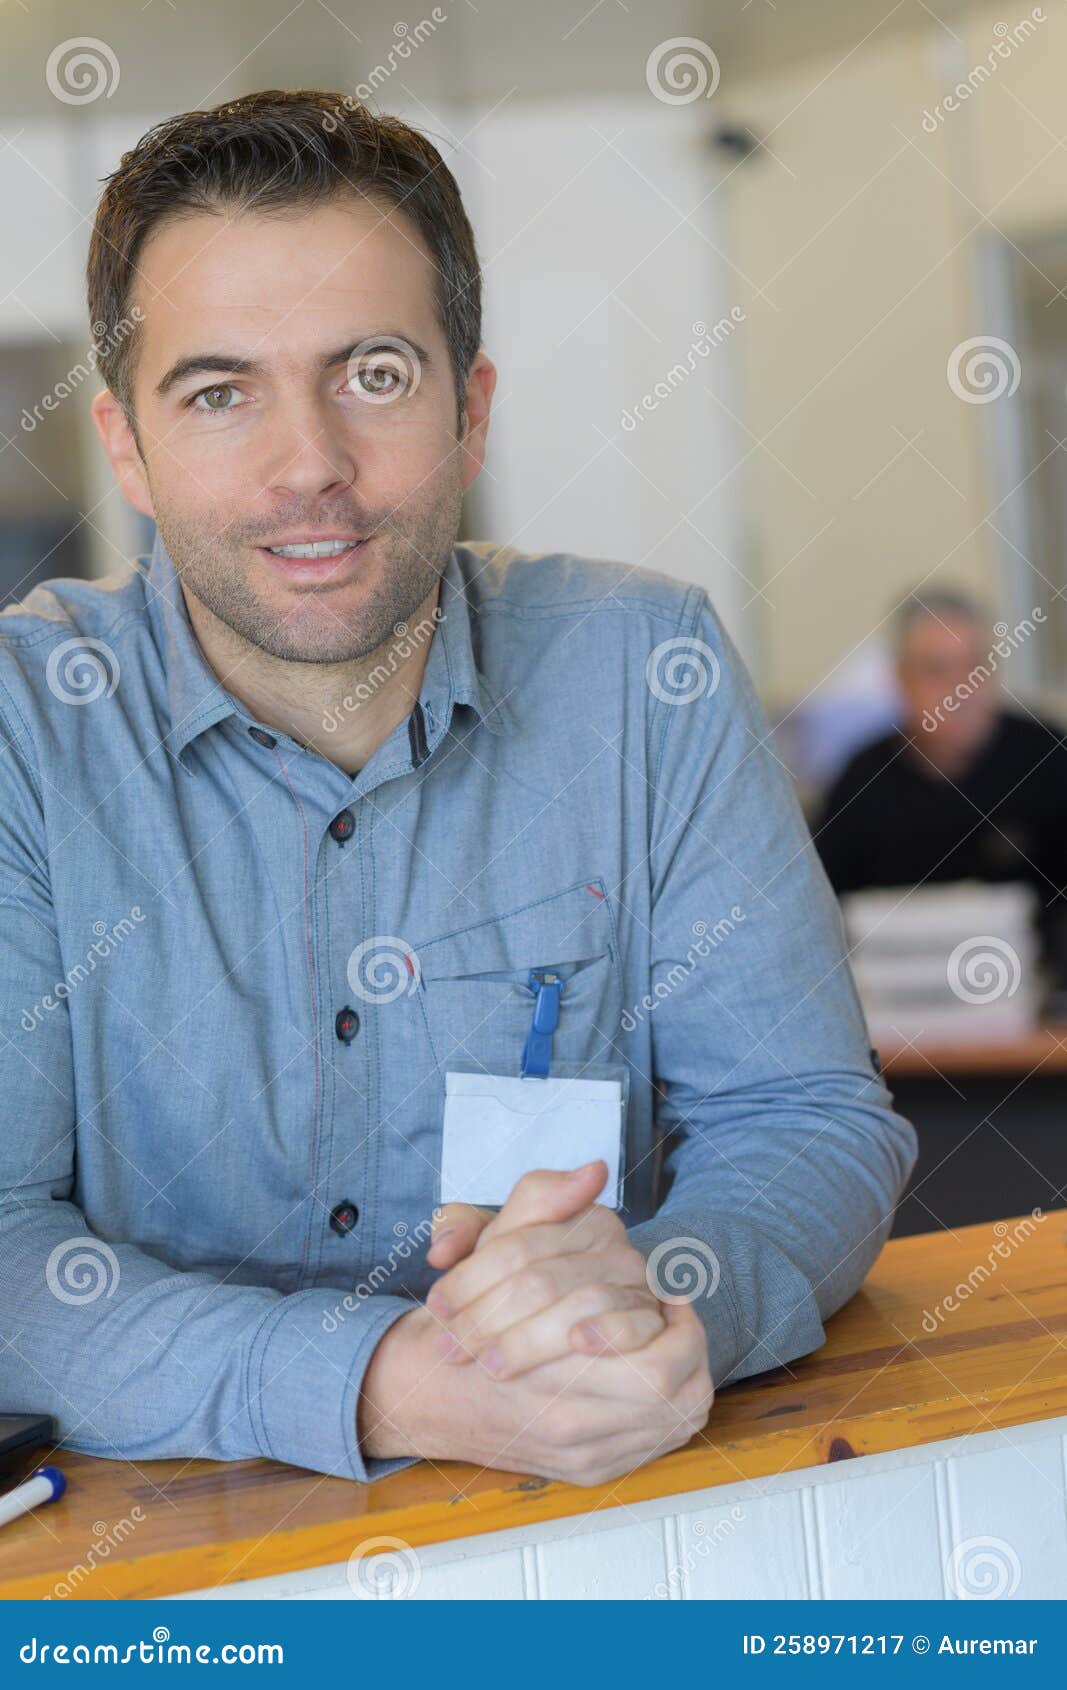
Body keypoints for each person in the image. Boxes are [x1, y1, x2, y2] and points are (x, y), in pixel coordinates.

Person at [0, 90, 915, 1489]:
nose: (309, 464)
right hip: (175, 1575)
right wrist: (378, 1385)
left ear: (469, 407)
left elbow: (801, 1118)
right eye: (219, 390)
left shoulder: (640, 670)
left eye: (372, 372)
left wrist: (667, 1299)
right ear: (124, 442)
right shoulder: (22, 726)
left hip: (612, 1518)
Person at [813, 589, 1067, 985]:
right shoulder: (862, 782)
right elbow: (820, 917)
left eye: (974, 667)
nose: (962, 689)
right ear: (901, 679)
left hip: (1037, 1010)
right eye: (937, 670)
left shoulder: (1050, 760)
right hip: (896, 1012)